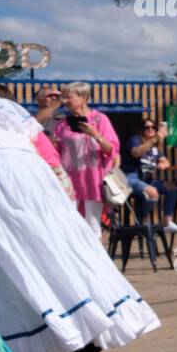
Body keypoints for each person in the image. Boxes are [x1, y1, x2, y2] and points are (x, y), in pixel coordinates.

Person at [0, 35, 160, 352]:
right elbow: (37, 142)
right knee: (54, 252)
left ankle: (61, 333)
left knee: (10, 262)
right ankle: (85, 324)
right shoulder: (5, 107)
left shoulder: (0, 109)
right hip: (32, 180)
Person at [36, 81, 120, 237]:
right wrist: (53, 144)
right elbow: (56, 151)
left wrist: (96, 135)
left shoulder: (99, 119)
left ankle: (96, 260)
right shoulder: (62, 124)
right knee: (68, 222)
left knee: (93, 224)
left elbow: (112, 150)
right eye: (64, 97)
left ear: (83, 98)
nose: (66, 101)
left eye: (70, 97)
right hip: (68, 179)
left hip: (92, 178)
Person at [0, 83, 76, 203]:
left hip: (52, 176)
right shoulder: (14, 124)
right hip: (44, 175)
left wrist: (55, 105)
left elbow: (34, 124)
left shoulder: (19, 125)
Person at [123, 118, 177, 232]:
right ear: (141, 130)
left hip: (146, 179)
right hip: (131, 177)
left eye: (153, 127)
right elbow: (136, 153)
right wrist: (154, 140)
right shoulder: (135, 139)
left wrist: (163, 164)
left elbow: (166, 161)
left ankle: (167, 222)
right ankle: (144, 218)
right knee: (153, 193)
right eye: (147, 127)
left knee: (172, 187)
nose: (150, 129)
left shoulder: (155, 148)